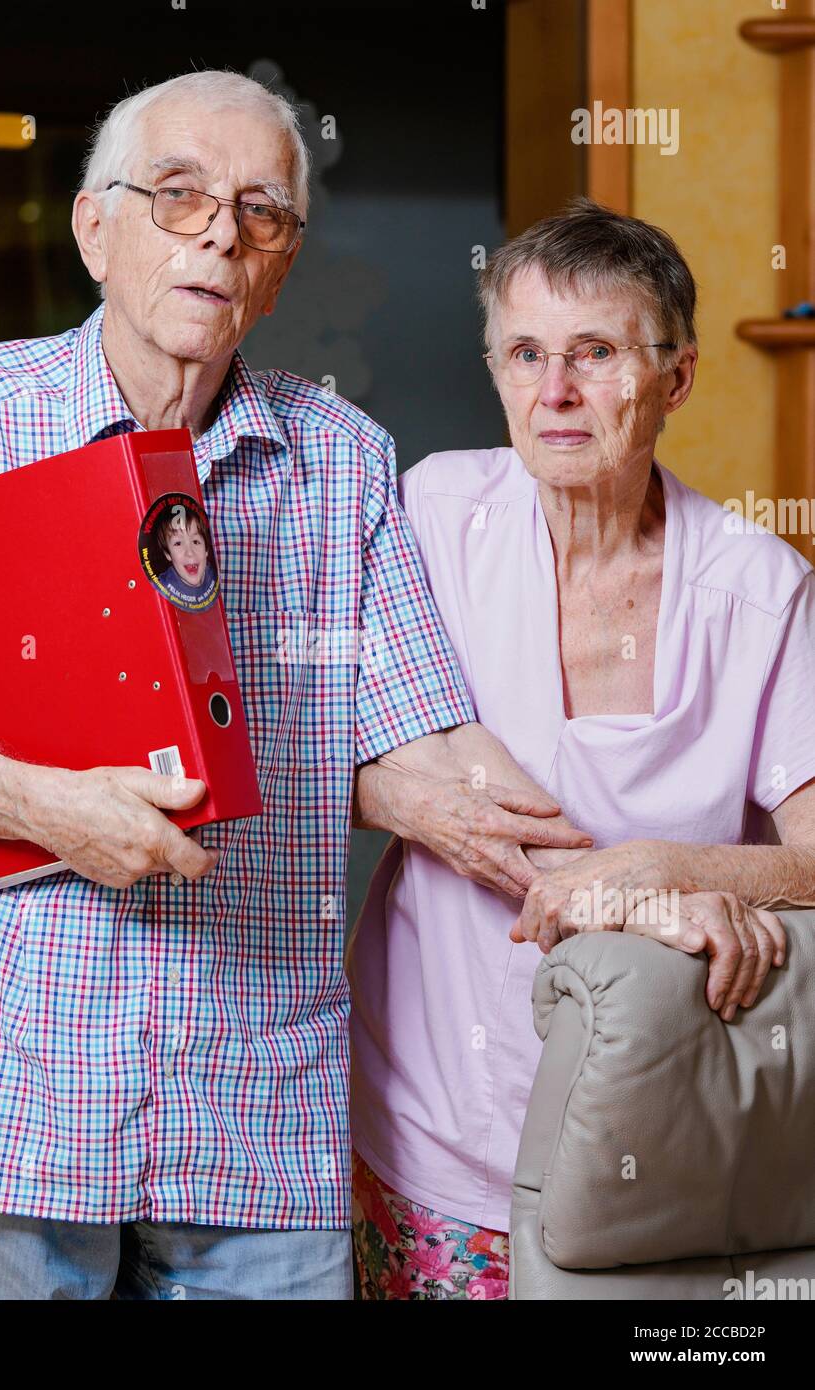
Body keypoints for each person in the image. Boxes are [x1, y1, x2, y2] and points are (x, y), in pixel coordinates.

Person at [0, 70, 588, 1301]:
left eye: (260, 212)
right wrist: (52, 810)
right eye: (177, 194)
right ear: (96, 227)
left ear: (284, 259)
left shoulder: (341, 459)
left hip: (253, 1113)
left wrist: (621, 875)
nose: (216, 236)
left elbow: (417, 745)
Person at [347, 198, 815, 1300]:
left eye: (593, 354)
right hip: (428, 1123)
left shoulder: (756, 587)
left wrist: (664, 869)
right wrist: (411, 802)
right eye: (524, 354)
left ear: (676, 377)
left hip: (660, 1143)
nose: (551, 393)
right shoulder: (428, 514)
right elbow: (316, 757)